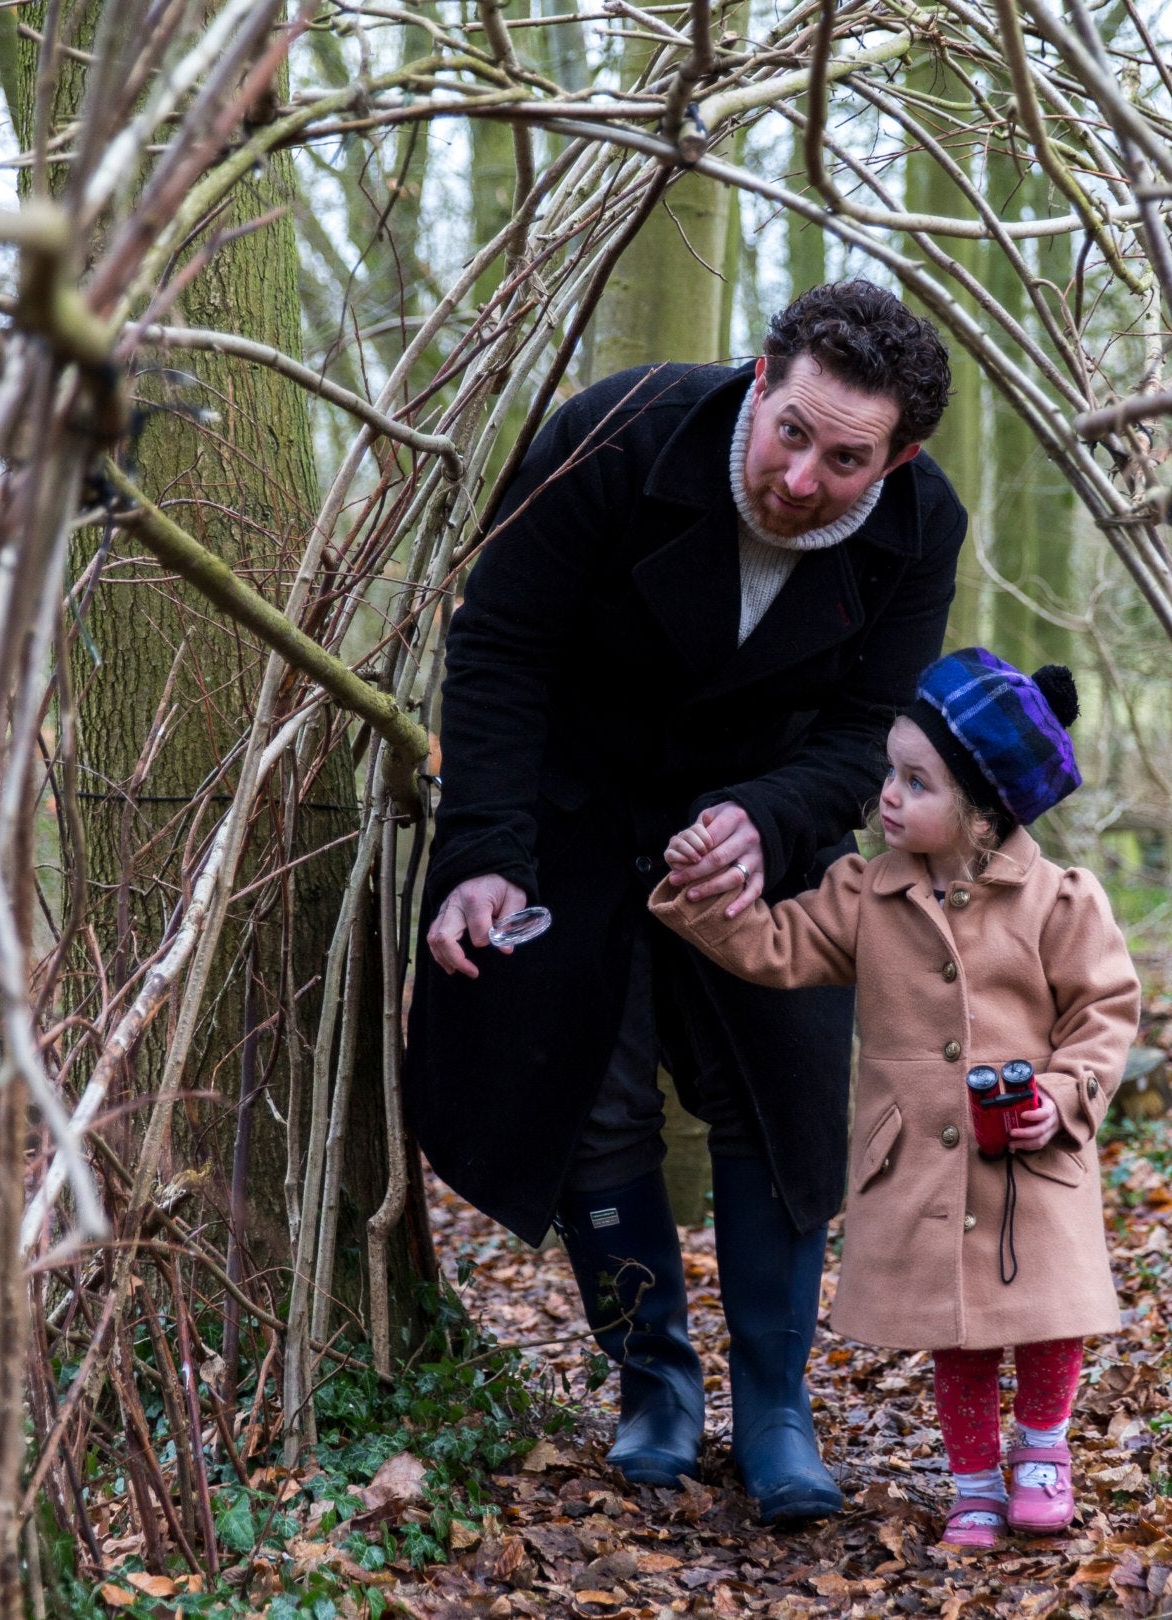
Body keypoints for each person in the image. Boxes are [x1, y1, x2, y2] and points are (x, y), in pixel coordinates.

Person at [403, 281, 964, 1523]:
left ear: (900, 456)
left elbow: (874, 723)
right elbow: (497, 646)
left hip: (772, 821)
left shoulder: (921, 525)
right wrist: (485, 850)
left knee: (782, 1087)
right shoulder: (621, 432)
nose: (804, 476)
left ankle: (776, 1405)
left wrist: (765, 818)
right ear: (759, 381)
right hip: (574, 803)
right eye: (792, 431)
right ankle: (651, 1379)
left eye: (848, 457)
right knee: (587, 1083)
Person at [650, 650, 1138, 1548]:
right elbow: (775, 946)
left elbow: (1106, 1011)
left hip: (1034, 1154)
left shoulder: (1060, 901)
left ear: (984, 811)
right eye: (890, 772)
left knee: (1046, 1312)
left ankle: (1042, 1452)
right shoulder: (865, 894)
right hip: (917, 1157)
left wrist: (1065, 1098)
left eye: (916, 782)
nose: (887, 796)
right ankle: (972, 1484)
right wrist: (700, 889)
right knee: (954, 1328)